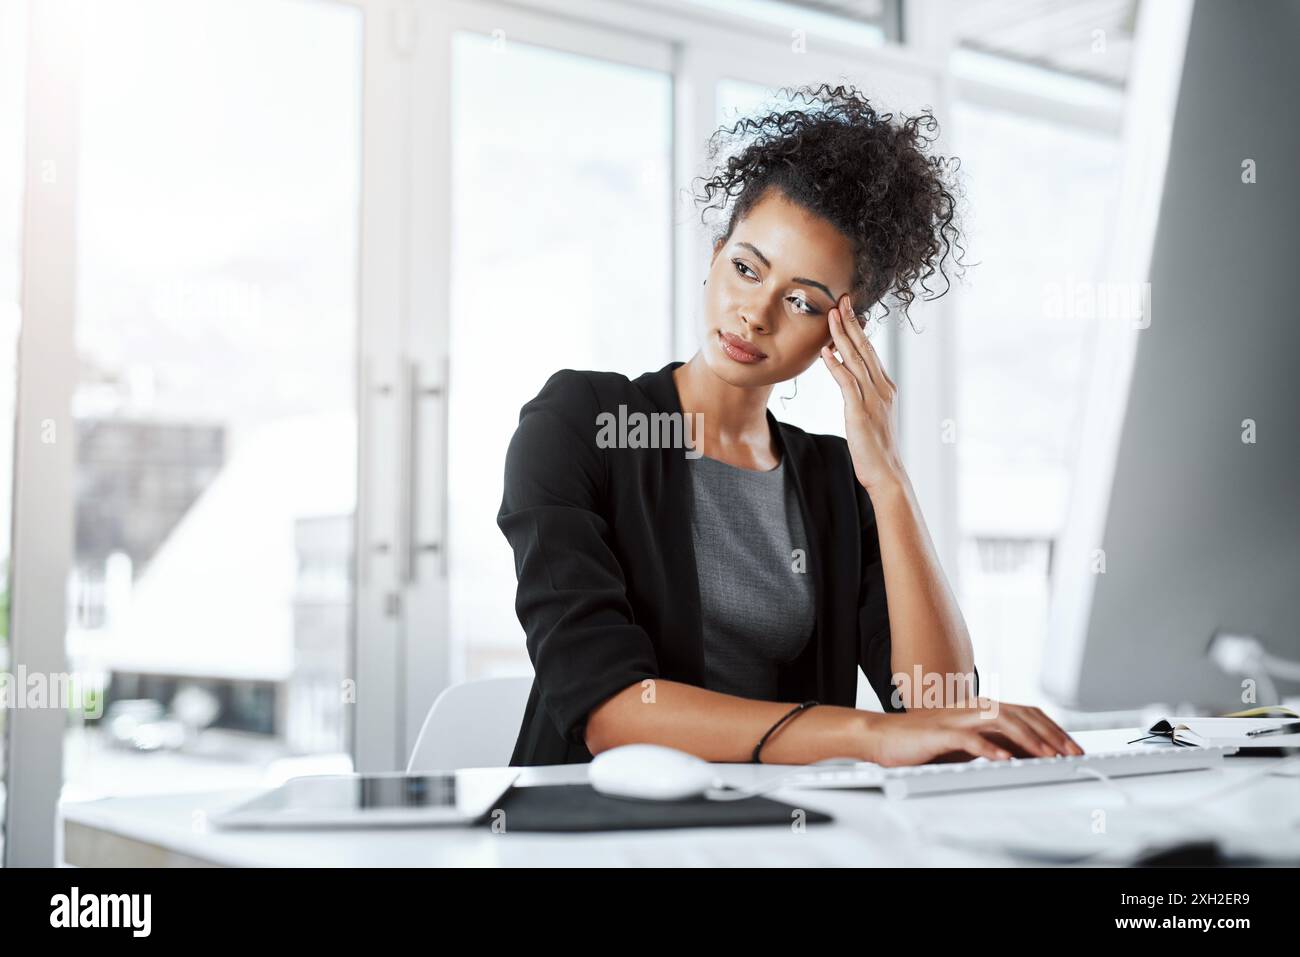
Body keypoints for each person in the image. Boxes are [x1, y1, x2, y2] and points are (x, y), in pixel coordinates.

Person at [498, 83, 1082, 767]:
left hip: (786, 832)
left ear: (847, 329)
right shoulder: (582, 424)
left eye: (802, 301)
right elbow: (612, 710)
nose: (755, 314)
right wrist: (865, 734)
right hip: (596, 833)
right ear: (715, 254)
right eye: (746, 268)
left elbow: (938, 710)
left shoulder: (837, 480)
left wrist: (887, 479)